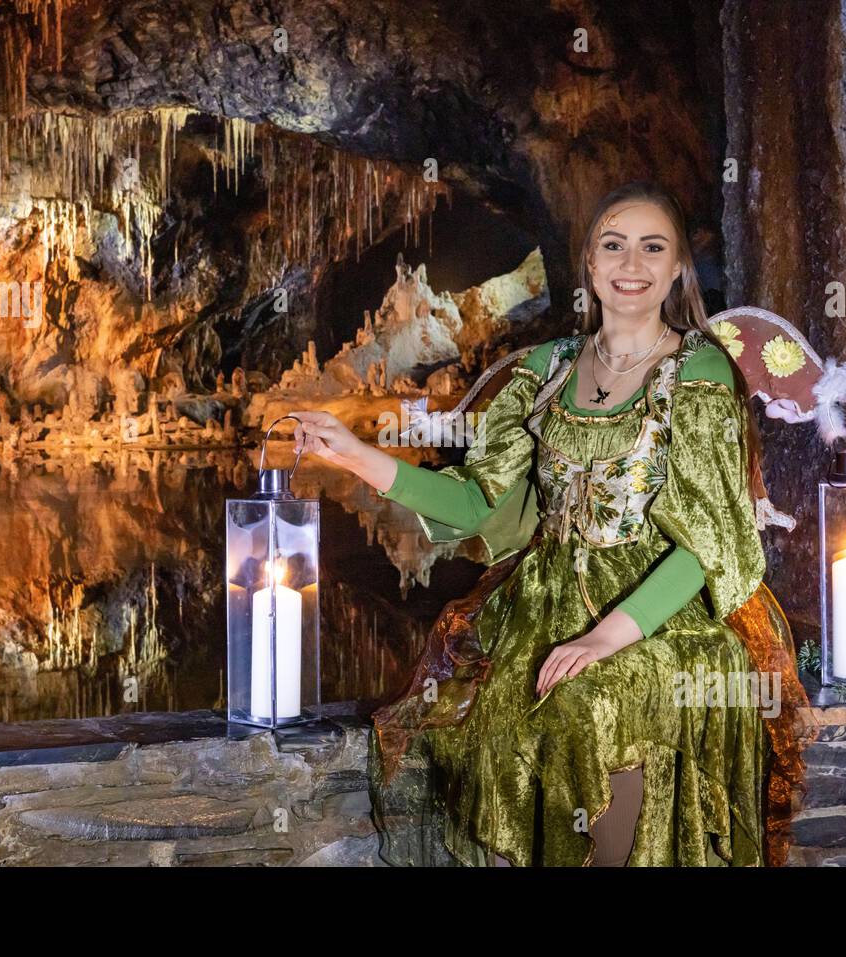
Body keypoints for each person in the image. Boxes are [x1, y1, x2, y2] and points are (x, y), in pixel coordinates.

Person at [291, 181, 804, 866]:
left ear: (678, 266)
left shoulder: (700, 372)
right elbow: (476, 502)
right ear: (589, 263)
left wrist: (604, 637)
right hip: (543, 599)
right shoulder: (546, 371)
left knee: (593, 703)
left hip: (663, 611)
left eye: (653, 247)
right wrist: (357, 456)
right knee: (494, 711)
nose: (632, 263)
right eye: (614, 245)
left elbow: (708, 545)